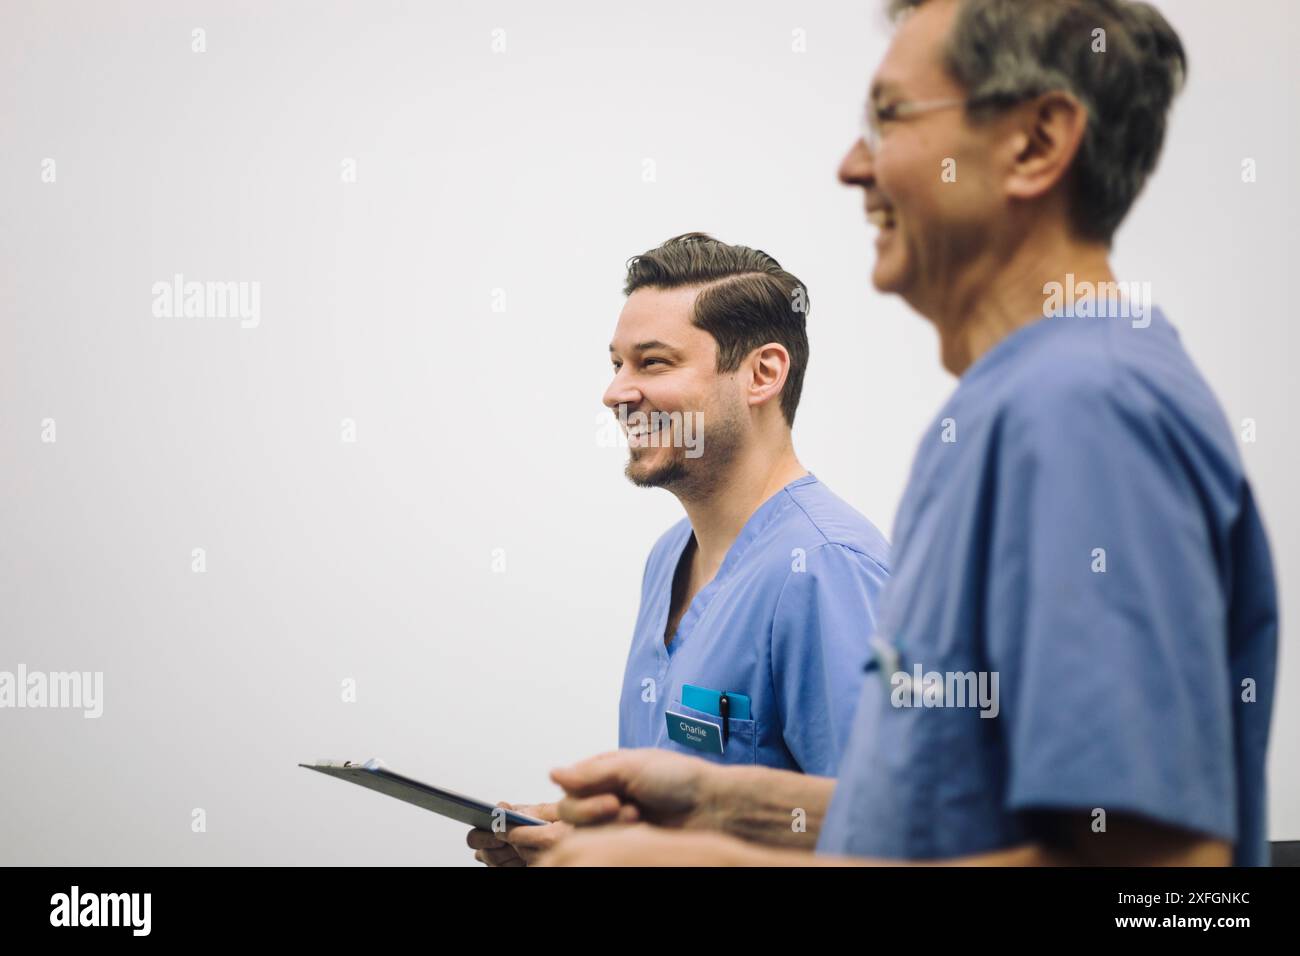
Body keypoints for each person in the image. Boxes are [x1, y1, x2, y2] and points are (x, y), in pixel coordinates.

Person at [541, 0, 1278, 867]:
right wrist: (720, 802)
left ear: (1037, 143)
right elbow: (948, 819)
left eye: (888, 118)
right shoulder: (1018, 409)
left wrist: (716, 865)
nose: (854, 166)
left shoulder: (1085, 409)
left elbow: (1161, 884)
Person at [469, 234, 891, 865]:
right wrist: (587, 842)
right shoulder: (669, 557)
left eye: (654, 363)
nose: (616, 393)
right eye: (616, 364)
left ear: (762, 374)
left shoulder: (827, 567)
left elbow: (891, 847)